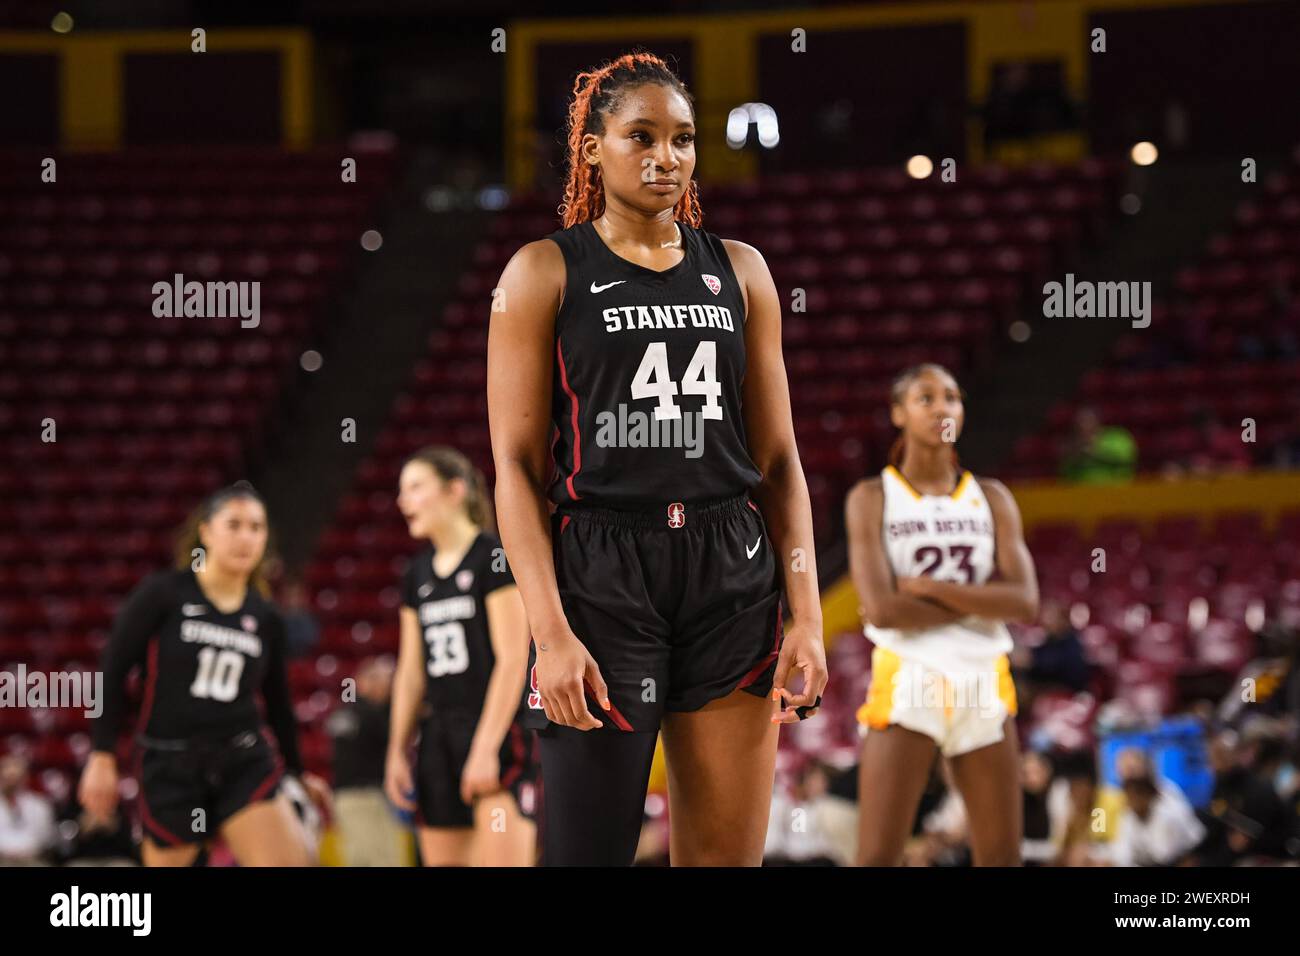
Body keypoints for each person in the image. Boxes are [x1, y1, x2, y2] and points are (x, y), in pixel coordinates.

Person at [487, 52, 827, 866]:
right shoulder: (541, 271)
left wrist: (809, 617)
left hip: (729, 566)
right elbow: (515, 470)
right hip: (601, 574)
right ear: (593, 148)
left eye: (682, 139)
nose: (664, 157)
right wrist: (551, 632)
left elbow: (779, 461)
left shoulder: (741, 271)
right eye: (640, 136)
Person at [848, 363, 1039, 866]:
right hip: (911, 676)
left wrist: (931, 589)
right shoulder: (871, 497)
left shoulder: (992, 497)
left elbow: (1025, 601)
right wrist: (977, 601)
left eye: (952, 398)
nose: (942, 409)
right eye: (925, 398)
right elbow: (883, 610)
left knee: (1002, 858)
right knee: (877, 858)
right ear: (898, 413)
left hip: (983, 679)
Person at [78, 483, 329, 866]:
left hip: (242, 759)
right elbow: (111, 672)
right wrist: (101, 754)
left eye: (256, 527)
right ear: (206, 532)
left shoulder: (265, 616)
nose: (246, 537)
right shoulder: (164, 594)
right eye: (234, 525)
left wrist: (297, 771)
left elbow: (278, 703)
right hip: (169, 763)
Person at [384, 447, 537, 867]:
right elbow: (411, 672)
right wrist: (397, 749)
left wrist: (486, 748)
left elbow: (513, 659)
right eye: (401, 491)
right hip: (438, 737)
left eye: (415, 487)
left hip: (496, 729)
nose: (403, 501)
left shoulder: (493, 557)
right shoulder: (416, 574)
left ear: (455, 490)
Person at [328, 655, 406, 866]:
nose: (390, 687)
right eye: (386, 680)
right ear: (366, 681)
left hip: (346, 798)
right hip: (365, 797)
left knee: (359, 858)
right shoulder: (372, 714)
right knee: (383, 860)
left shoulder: (344, 711)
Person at [1109, 756, 1205, 866]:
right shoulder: (1129, 814)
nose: (1131, 800)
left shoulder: (1167, 806)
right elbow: (1122, 855)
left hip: (1194, 856)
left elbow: (1164, 857)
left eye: (1136, 794)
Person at [0, 754, 56, 866]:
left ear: (25, 778)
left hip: (32, 859)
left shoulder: (39, 804)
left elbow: (46, 838)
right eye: (7, 778)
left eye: (16, 778)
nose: (11, 783)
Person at [1060, 407, 1137, 483]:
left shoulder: (1117, 438)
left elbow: (1126, 459)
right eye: (1080, 422)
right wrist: (1076, 457)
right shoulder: (1074, 445)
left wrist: (1095, 453)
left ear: (1096, 421)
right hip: (1083, 493)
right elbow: (1066, 473)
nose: (1083, 425)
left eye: (1087, 420)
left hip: (1116, 491)